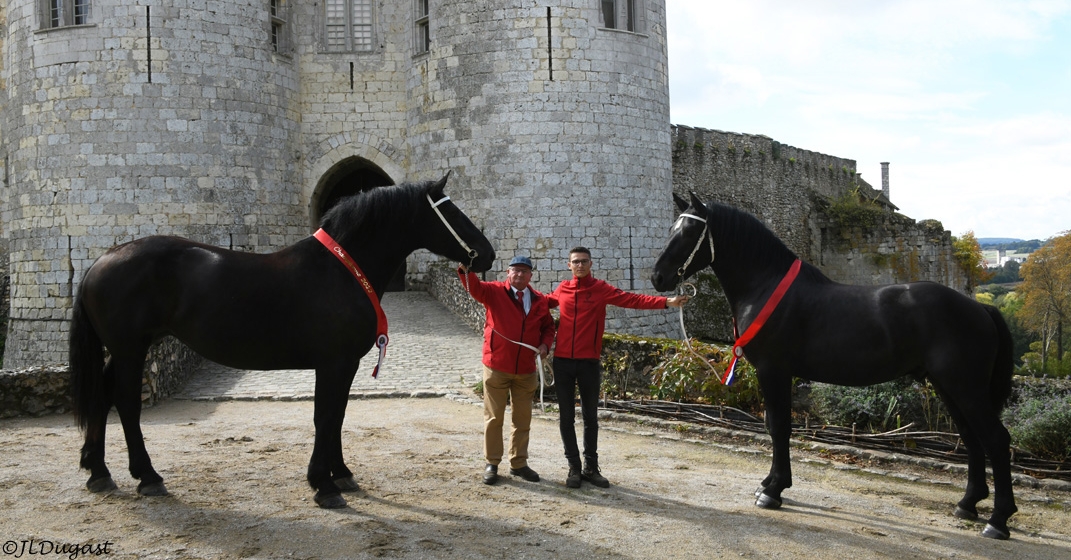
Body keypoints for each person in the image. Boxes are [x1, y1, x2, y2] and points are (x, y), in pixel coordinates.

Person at [549, 247, 688, 488]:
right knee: (566, 418)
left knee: (591, 417)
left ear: (590, 264)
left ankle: (591, 467)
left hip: (589, 363)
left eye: (584, 261)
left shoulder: (600, 289)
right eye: (575, 262)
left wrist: (667, 302)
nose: (580, 265)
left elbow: (632, 300)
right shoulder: (562, 289)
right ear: (568, 265)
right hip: (562, 362)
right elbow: (540, 304)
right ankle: (574, 467)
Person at [458, 255, 556, 485]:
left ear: (531, 276)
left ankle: (519, 463)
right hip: (496, 366)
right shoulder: (493, 292)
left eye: (524, 271)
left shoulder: (539, 300)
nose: (520, 275)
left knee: (522, 420)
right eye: (516, 270)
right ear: (508, 273)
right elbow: (474, 288)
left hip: (526, 369)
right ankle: (492, 462)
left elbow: (548, 327)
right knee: (494, 418)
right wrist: (465, 268)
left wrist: (544, 345)